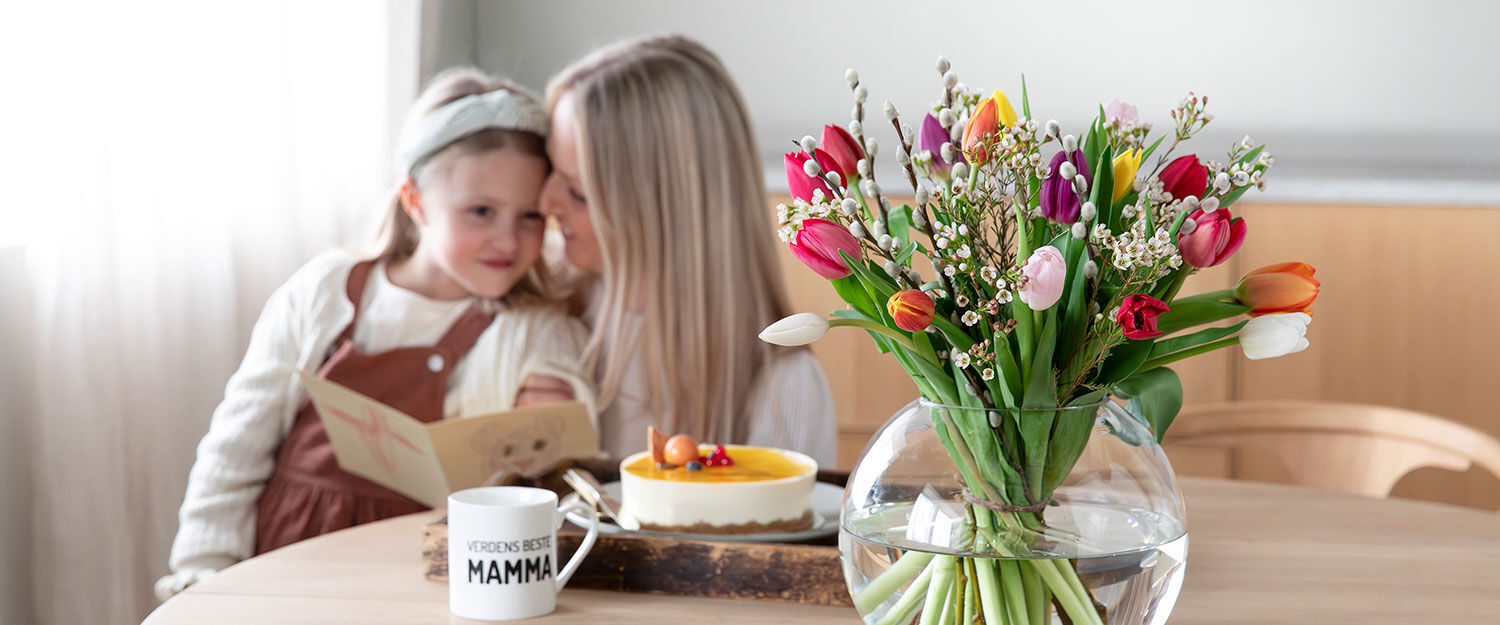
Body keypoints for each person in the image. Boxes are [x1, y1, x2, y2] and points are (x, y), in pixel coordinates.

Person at [155, 68, 593, 600]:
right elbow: (237, 443)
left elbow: (566, 452)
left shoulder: (535, 329)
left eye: (530, 217)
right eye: (480, 211)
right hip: (288, 565)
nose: (508, 239)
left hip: (426, 580)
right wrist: (203, 568)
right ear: (416, 200)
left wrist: (552, 420)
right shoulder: (324, 292)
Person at [539, 35, 836, 464]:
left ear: (662, 209)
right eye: (549, 171)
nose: (544, 203)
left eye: (576, 192)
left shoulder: (782, 388)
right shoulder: (538, 303)